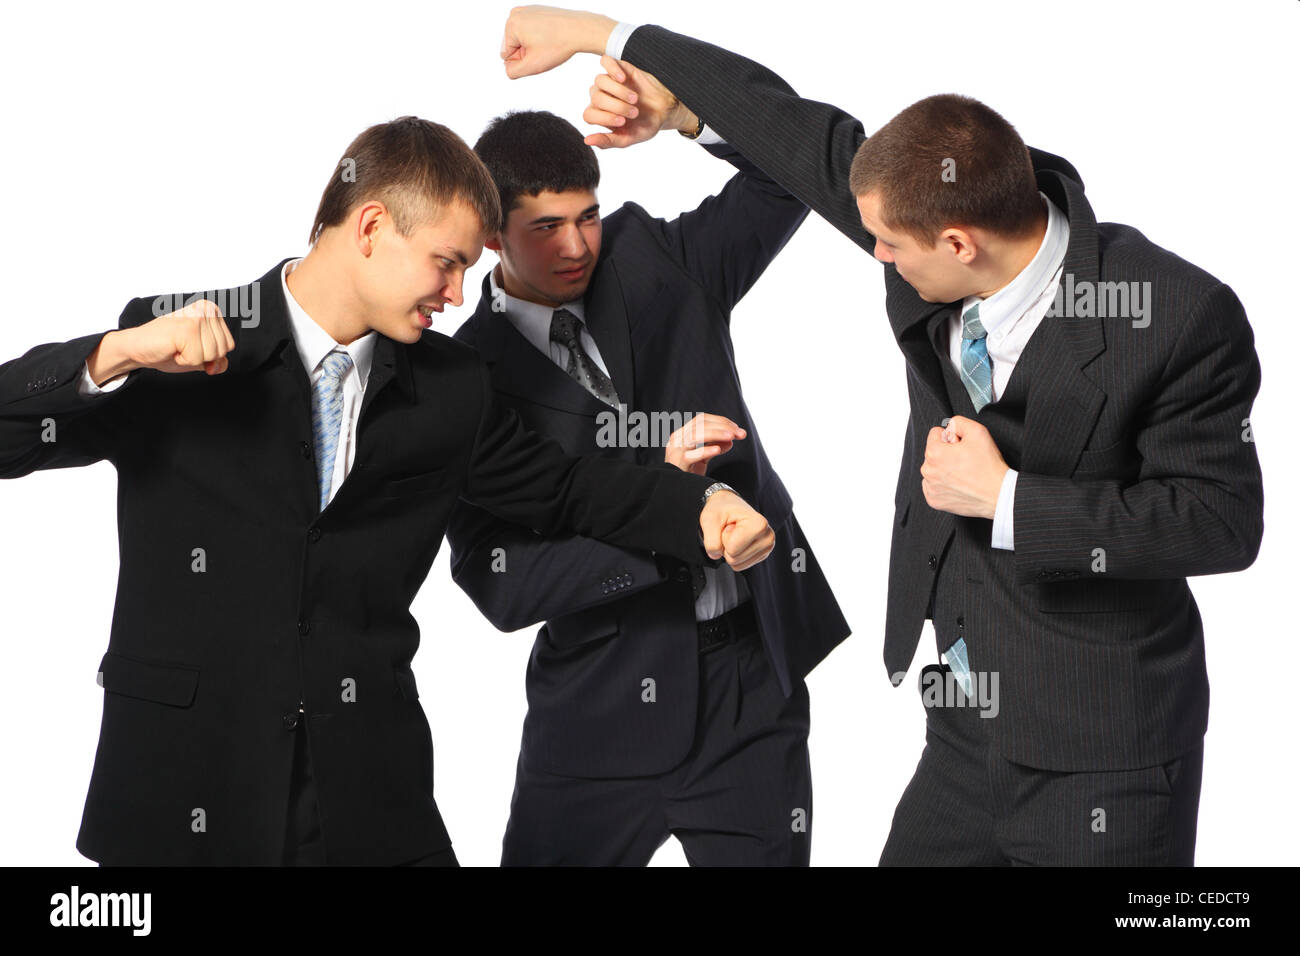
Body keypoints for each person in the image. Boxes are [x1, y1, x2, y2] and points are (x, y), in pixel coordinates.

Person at [498, 7, 1265, 865]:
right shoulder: (927, 222)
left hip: (1105, 748)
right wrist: (612, 42)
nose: (877, 258)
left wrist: (1008, 500)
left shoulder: (1176, 313)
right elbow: (797, 138)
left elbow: (1222, 522)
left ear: (958, 242)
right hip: (965, 732)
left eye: (891, 246)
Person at [0, 114, 776, 866]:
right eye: (448, 262)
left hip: (370, 795)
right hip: (183, 791)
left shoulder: (453, 388)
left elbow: (566, 488)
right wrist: (107, 357)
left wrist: (700, 509)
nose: (458, 292)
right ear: (372, 228)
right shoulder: (179, 343)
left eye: (470, 267)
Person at [445, 108, 849, 865]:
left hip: (750, 693)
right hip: (596, 712)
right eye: (546, 227)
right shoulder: (467, 379)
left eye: (588, 216)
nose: (576, 246)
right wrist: (669, 518)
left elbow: (796, 169)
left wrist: (690, 116)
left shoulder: (654, 257)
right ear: (491, 234)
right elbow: (499, 584)